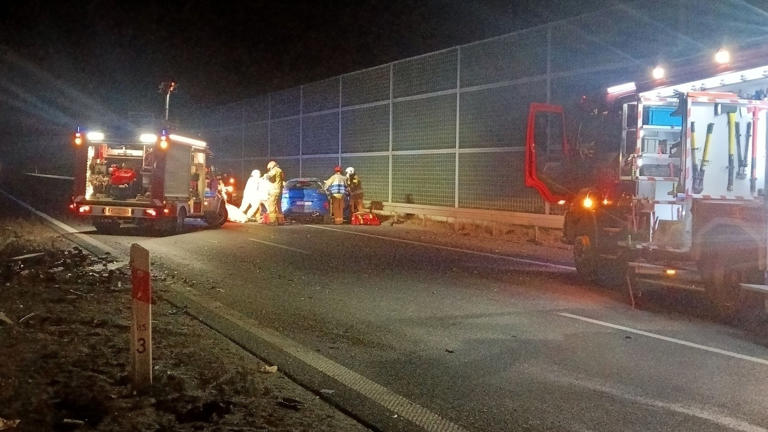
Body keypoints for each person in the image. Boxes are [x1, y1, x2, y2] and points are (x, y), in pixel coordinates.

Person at [264, 160, 285, 225]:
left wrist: (265, 176)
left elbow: (269, 176)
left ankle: (272, 221)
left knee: (272, 205)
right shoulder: (280, 170)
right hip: (279, 191)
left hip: (274, 191)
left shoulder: (274, 170)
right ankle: (281, 221)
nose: (269, 169)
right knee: (278, 206)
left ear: (271, 166)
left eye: (269, 168)